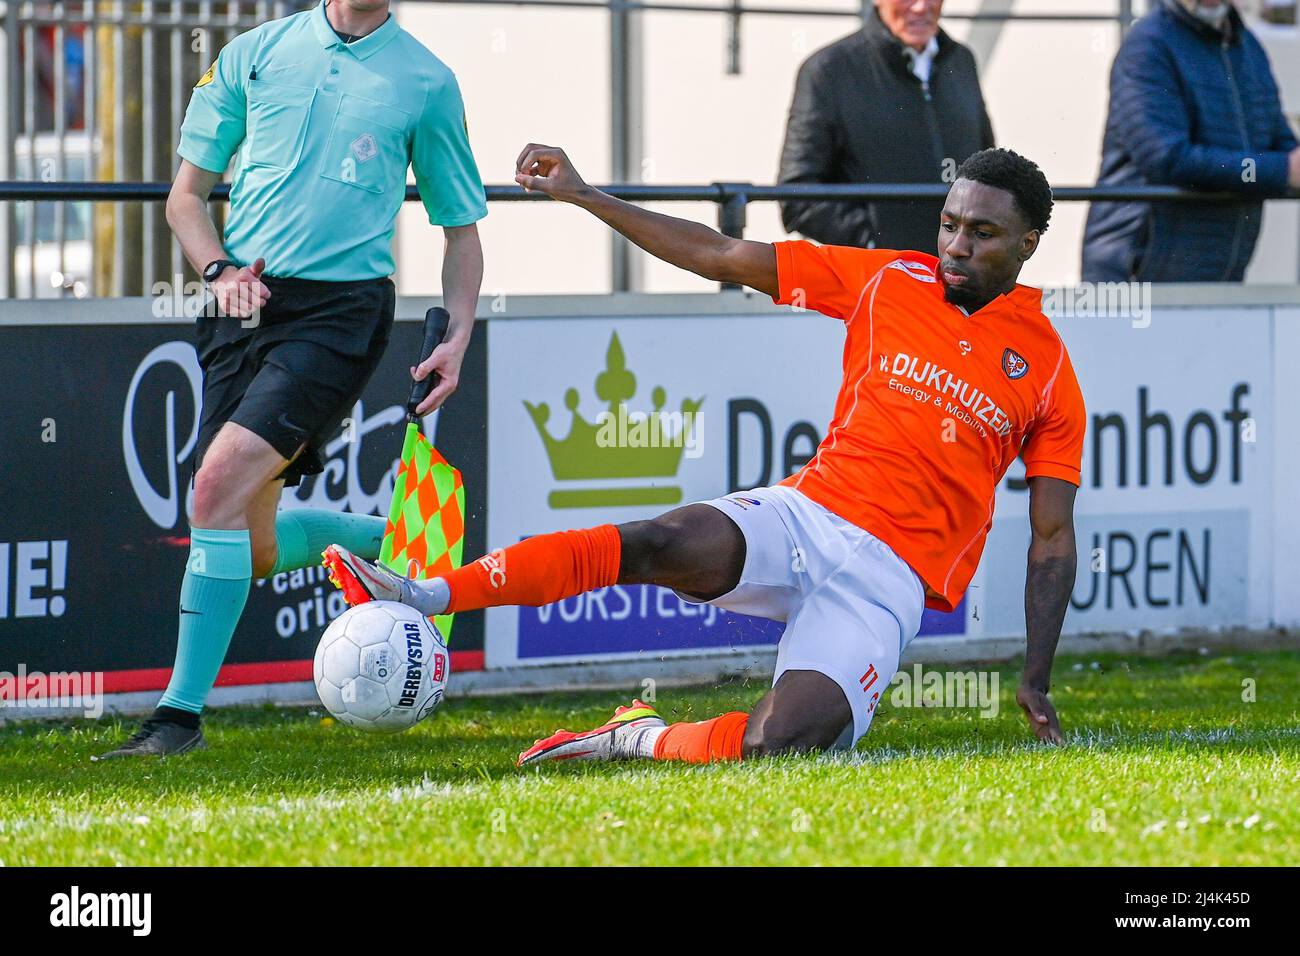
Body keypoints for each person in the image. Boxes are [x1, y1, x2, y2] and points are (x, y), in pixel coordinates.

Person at [326, 144, 1085, 766]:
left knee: (779, 746)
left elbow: (1051, 538)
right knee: (658, 541)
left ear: (1027, 243)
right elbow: (720, 252)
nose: (955, 243)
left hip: (890, 581)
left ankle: (636, 735)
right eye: (949, 222)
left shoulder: (1048, 370)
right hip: (809, 515)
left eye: (981, 233)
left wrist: (1036, 677)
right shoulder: (888, 279)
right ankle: (424, 594)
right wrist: (589, 196)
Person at [97, 0, 487, 759]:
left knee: (213, 488)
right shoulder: (252, 52)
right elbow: (185, 199)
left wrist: (459, 337)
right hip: (240, 306)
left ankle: (177, 719)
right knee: (252, 542)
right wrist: (217, 270)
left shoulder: (428, 81)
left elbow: (460, 229)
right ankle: (394, 546)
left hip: (341, 314)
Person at [1082, 0, 1300, 282]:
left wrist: (1285, 165)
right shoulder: (1148, 45)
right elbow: (1167, 158)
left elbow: (1281, 143)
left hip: (1218, 276)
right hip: (1138, 275)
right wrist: (1279, 170)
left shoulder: (1248, 48)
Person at [778, 0, 994, 253]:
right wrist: (876, 243)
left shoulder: (962, 61)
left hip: (963, 279)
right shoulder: (827, 70)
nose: (920, 7)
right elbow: (797, 195)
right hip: (877, 281)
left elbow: (988, 171)